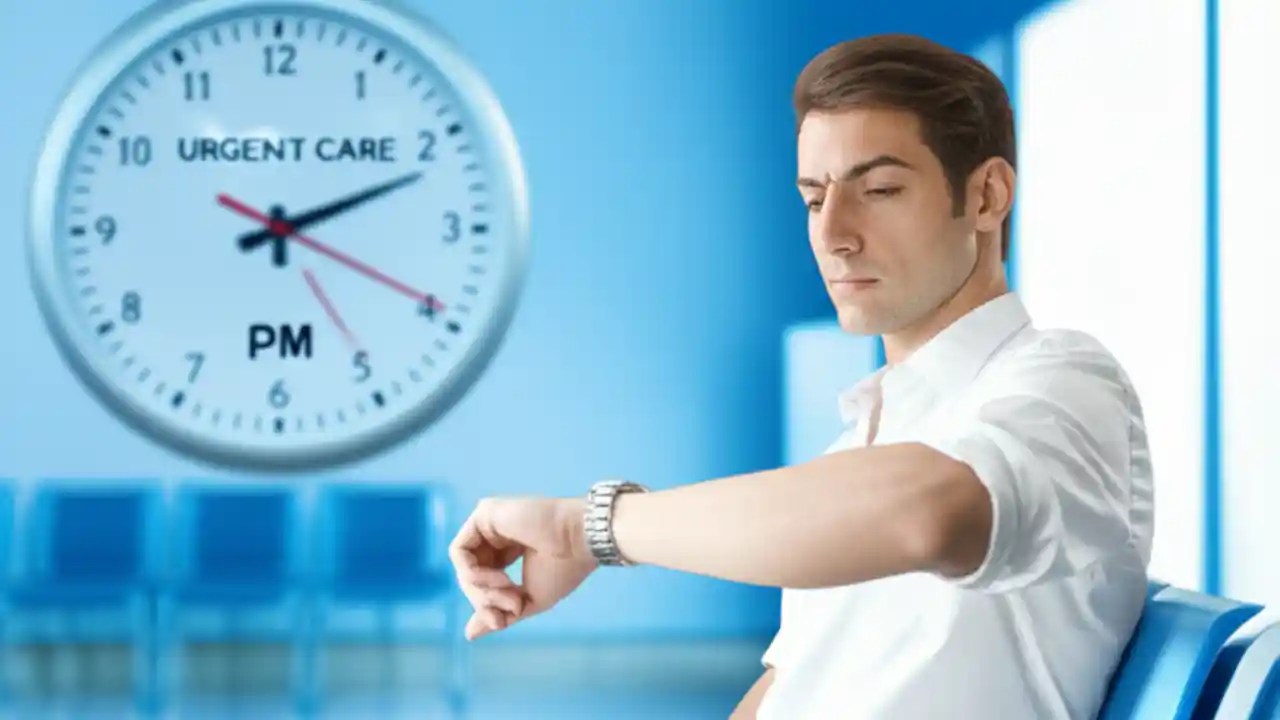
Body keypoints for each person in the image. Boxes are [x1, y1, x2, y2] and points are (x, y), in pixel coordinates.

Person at [448, 33, 1154, 719]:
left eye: (878, 189)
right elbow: (789, 687)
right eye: (815, 198)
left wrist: (591, 528)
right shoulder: (855, 456)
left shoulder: (1063, 379)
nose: (833, 233)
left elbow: (926, 513)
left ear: (987, 196)